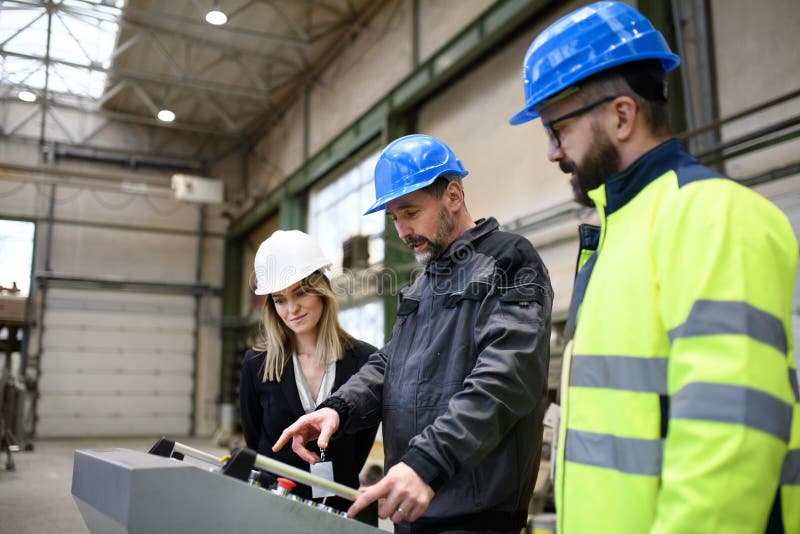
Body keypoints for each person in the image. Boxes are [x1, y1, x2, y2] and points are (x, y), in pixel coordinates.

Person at [509, 2, 799, 533]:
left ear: (621, 115)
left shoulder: (710, 214)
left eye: (558, 128)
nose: (553, 152)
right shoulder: (615, 234)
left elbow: (728, 438)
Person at [273, 134, 553, 534]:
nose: (403, 230)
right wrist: (338, 408)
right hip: (412, 499)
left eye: (411, 212)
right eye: (394, 219)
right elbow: (390, 363)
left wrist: (427, 462)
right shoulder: (423, 284)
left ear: (453, 196)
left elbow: (506, 379)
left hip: (474, 513)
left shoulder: (508, 260)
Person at [239, 229, 379, 524]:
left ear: (322, 290)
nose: (292, 309)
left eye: (301, 292)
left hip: (340, 504)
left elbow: (364, 435)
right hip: (272, 505)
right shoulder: (257, 364)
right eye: (280, 300)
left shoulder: (365, 359)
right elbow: (254, 438)